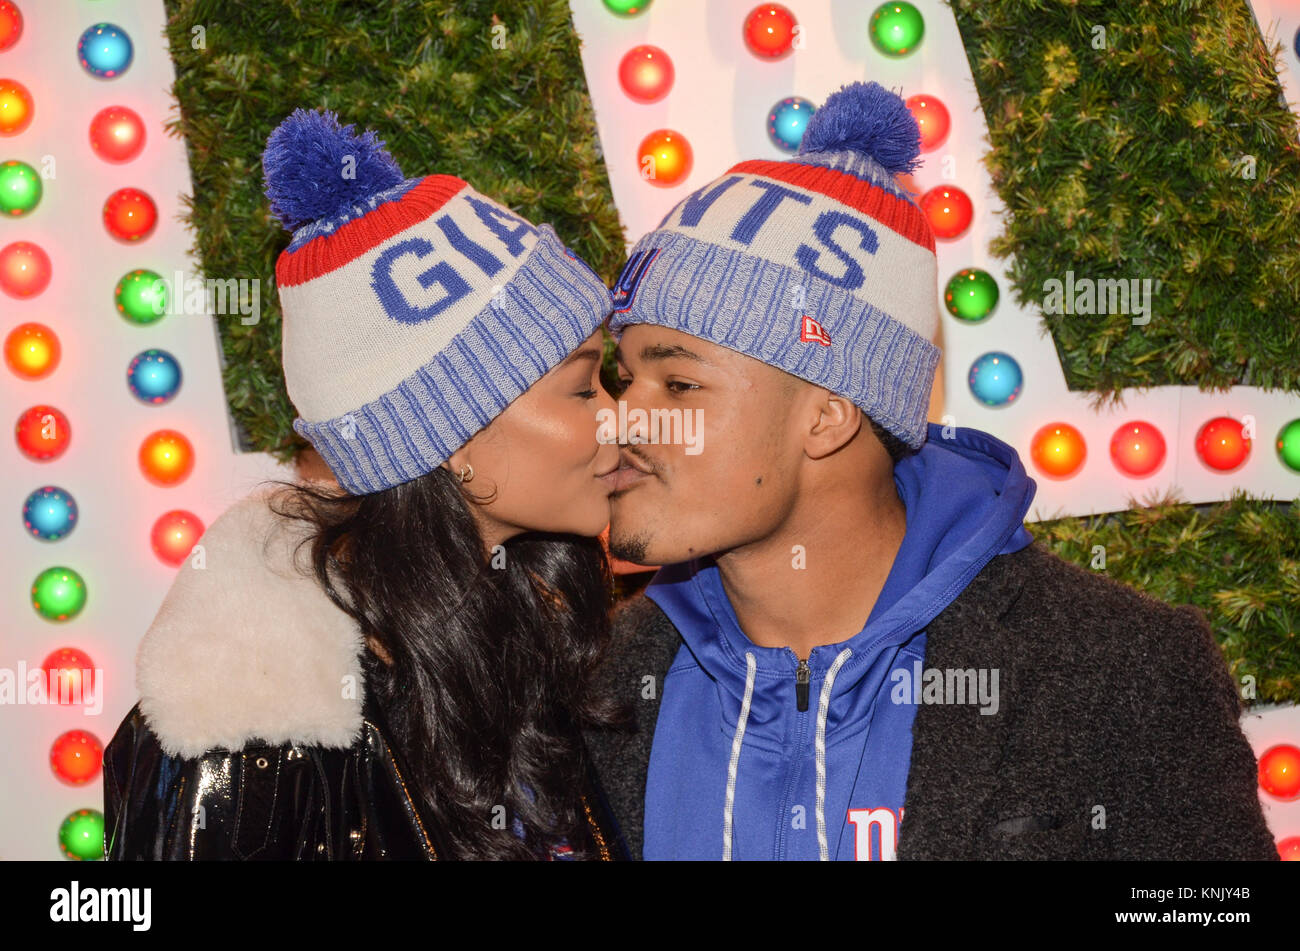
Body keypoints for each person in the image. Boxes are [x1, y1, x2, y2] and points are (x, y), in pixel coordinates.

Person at [584, 81, 1279, 861]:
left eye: (678, 383)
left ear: (829, 412)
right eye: (623, 376)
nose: (620, 417)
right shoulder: (595, 681)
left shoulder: (1123, 669)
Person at [103, 108, 629, 860]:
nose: (621, 421)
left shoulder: (523, 636)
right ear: (455, 439)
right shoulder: (252, 731)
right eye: (583, 389)